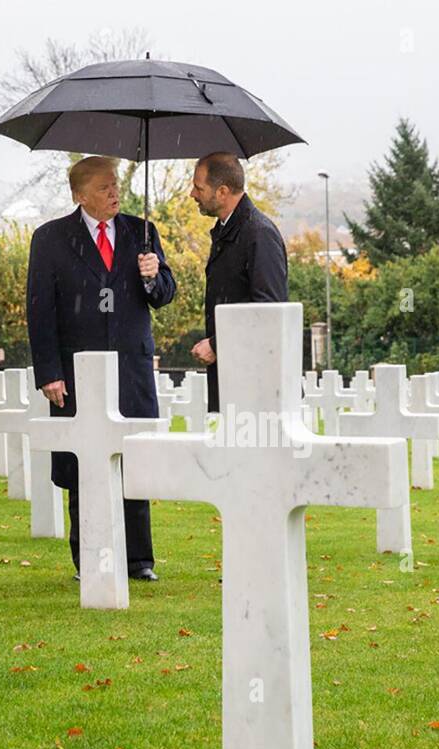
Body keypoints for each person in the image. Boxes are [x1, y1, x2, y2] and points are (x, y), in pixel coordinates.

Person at [25, 155, 175, 582]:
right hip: (78, 374)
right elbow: (39, 308)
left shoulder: (142, 232)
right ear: (80, 195)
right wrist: (49, 372)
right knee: (85, 464)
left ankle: (138, 560)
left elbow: (164, 295)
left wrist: (152, 275)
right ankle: (89, 559)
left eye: (115, 185)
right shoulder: (50, 239)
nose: (114, 193)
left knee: (133, 460)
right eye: (104, 187)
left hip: (131, 369)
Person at [189, 152, 289, 413]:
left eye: (199, 188)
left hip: (257, 384)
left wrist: (216, 345)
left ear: (222, 192)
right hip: (235, 377)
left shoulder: (259, 234)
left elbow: (269, 310)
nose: (192, 194)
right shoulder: (227, 230)